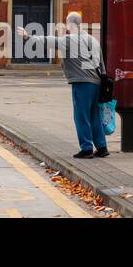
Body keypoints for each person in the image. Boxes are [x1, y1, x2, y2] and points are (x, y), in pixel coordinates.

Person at [18, 11, 108, 159]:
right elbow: (101, 64)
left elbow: (49, 40)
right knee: (95, 115)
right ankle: (102, 147)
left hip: (82, 82)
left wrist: (28, 37)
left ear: (70, 24)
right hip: (97, 83)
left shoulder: (69, 40)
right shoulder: (93, 40)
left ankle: (86, 148)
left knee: (81, 116)